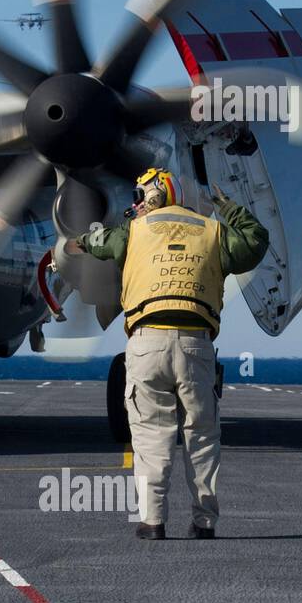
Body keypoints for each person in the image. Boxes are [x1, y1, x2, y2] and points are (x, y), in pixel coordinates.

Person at [65, 168, 269, 541]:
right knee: (202, 436)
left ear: (150, 196)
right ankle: (204, 523)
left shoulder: (133, 232)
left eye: (139, 196)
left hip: (146, 343)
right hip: (196, 345)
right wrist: (228, 207)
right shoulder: (213, 231)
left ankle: (153, 522)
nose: (135, 203)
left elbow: (98, 241)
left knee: (150, 436)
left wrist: (75, 240)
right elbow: (256, 241)